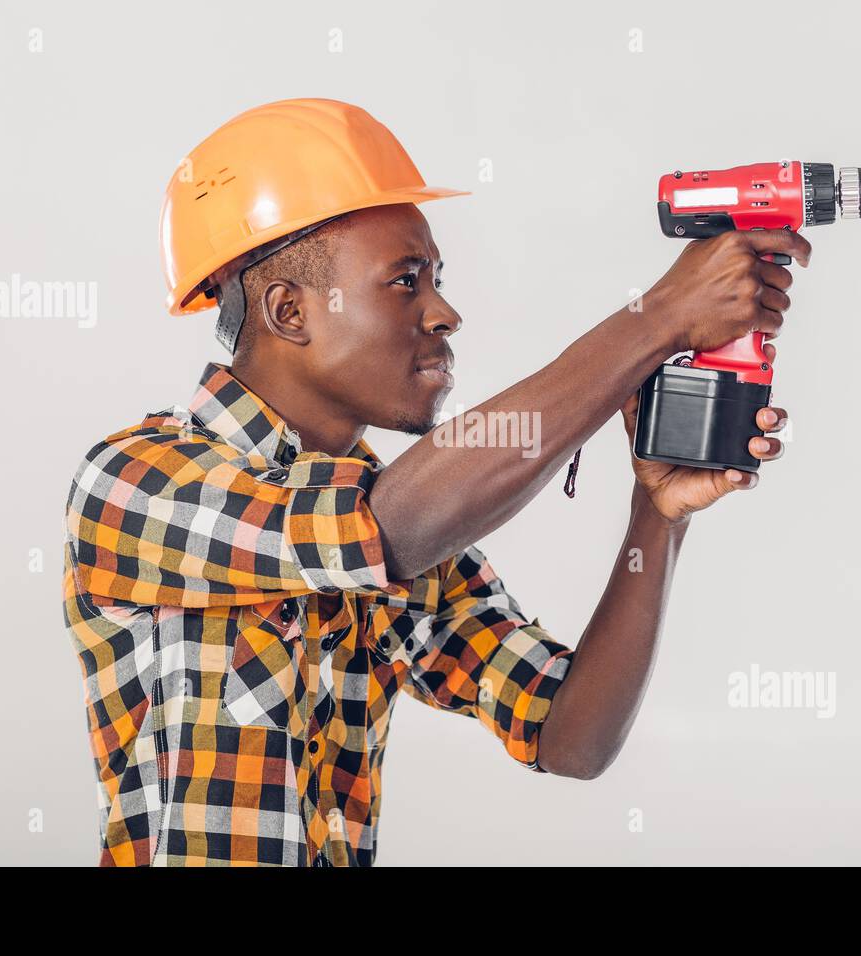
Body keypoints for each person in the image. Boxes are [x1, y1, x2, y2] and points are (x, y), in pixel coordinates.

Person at [62, 98, 810, 866]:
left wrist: (657, 514)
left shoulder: (406, 532)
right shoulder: (135, 481)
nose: (446, 313)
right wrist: (656, 320)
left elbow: (570, 737)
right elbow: (380, 530)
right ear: (289, 310)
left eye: (438, 280)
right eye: (405, 281)